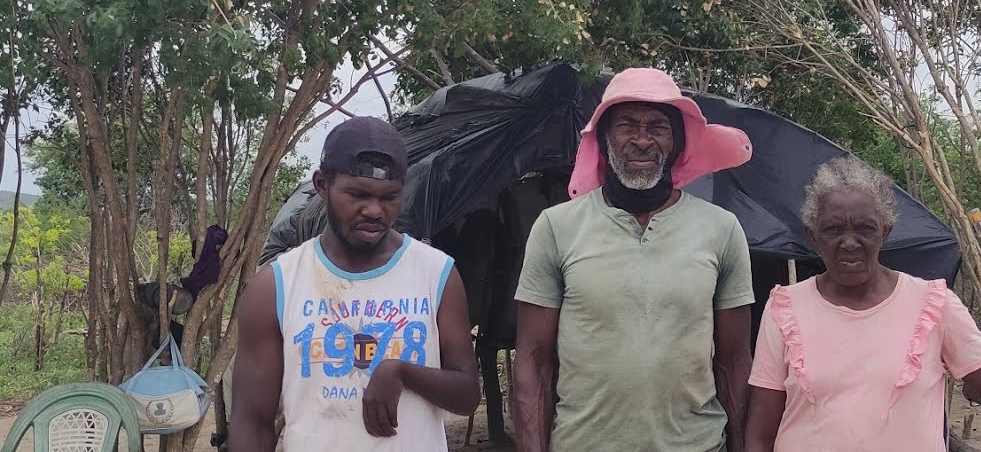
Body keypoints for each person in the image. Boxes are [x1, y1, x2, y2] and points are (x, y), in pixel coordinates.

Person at [513, 67, 757, 452]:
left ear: (676, 142)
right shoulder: (557, 227)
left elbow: (734, 362)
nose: (642, 140)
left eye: (658, 127)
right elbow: (532, 361)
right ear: (605, 136)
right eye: (627, 125)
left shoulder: (721, 229)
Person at [231, 116, 480, 451]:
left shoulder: (436, 274)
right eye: (358, 194)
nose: (374, 210)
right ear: (322, 184)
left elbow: (466, 396)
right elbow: (252, 421)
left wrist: (403, 372)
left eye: (389, 196)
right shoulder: (277, 286)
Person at [744, 156, 981, 452]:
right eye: (833, 230)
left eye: (865, 228)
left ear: (885, 232)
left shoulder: (933, 305)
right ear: (813, 237)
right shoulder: (785, 309)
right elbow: (760, 435)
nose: (849, 242)